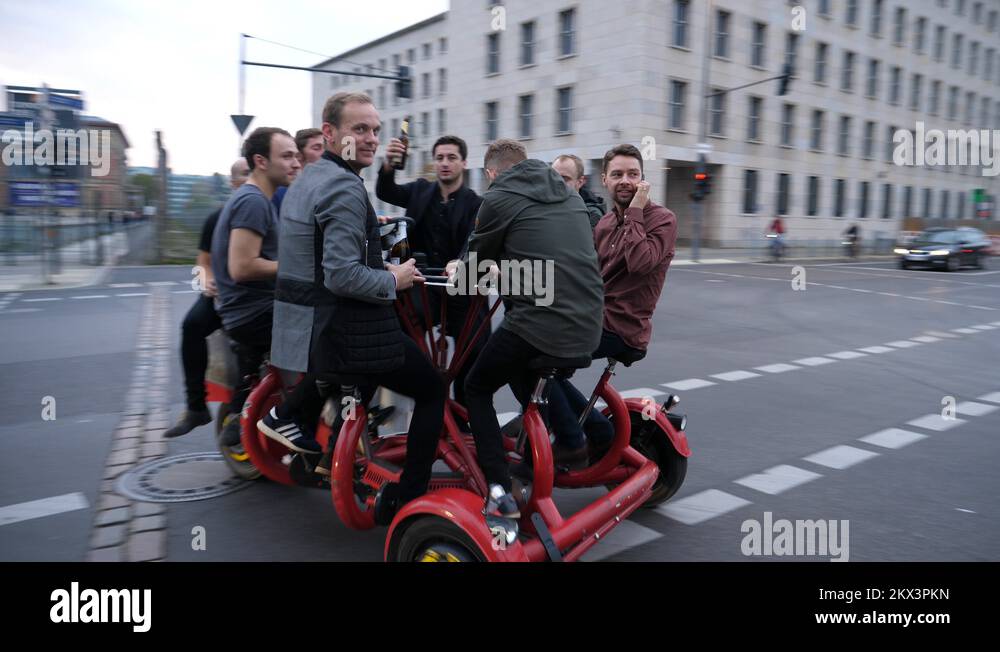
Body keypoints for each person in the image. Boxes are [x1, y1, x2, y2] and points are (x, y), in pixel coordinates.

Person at [263, 92, 445, 524]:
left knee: (368, 377)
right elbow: (341, 275)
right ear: (330, 133)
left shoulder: (309, 178)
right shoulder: (344, 187)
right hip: (343, 329)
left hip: (307, 326)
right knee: (433, 388)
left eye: (376, 130)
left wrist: (373, 252)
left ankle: (307, 432)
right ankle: (409, 499)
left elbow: (318, 253)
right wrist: (393, 279)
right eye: (359, 129)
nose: (371, 138)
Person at [452, 139, 604, 516]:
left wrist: (459, 270)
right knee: (520, 362)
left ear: (491, 173)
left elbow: (470, 272)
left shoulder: (499, 199)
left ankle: (498, 486)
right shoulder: (568, 197)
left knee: (476, 385)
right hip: (589, 322)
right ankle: (572, 439)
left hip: (543, 321)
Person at [545, 144, 678, 465]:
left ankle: (573, 441)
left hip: (623, 328)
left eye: (633, 174)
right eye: (617, 174)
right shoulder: (604, 225)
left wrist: (636, 211)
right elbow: (585, 274)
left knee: (531, 358)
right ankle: (595, 430)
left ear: (643, 180)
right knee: (534, 355)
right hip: (592, 320)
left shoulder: (662, 219)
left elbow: (639, 262)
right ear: (604, 180)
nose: (625, 181)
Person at [211, 127, 306, 449]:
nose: (296, 162)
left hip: (255, 308)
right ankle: (290, 417)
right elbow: (242, 267)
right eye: (287, 156)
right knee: (333, 334)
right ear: (261, 161)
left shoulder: (259, 200)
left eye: (296, 155)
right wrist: (301, 268)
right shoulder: (253, 201)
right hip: (252, 314)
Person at [376, 134, 485, 407]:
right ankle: (418, 390)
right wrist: (389, 165)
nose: (445, 163)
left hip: (460, 290)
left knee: (477, 346)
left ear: (464, 163)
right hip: (422, 287)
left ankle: (464, 410)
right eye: (439, 158)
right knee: (391, 330)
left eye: (451, 158)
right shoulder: (420, 190)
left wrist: (460, 262)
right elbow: (386, 192)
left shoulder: (475, 202)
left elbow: (477, 239)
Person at [165, 159, 250, 438]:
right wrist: (206, 280)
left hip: (253, 295)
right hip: (223, 292)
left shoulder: (270, 208)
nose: (250, 178)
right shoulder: (218, 217)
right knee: (191, 325)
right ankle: (196, 407)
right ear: (233, 183)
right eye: (243, 174)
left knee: (247, 343)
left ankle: (242, 412)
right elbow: (202, 261)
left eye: (252, 172)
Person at [552, 154, 606, 229]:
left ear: (580, 182)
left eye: (565, 179)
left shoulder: (592, 215)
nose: (557, 183)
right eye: (554, 177)